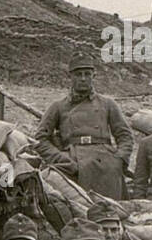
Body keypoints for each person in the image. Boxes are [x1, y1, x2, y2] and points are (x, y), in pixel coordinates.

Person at [32, 54, 134, 198]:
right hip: (72, 161)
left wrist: (119, 159)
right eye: (78, 74)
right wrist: (61, 158)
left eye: (87, 74)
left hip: (106, 162)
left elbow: (125, 135)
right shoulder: (58, 106)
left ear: (94, 76)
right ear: (70, 77)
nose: (83, 78)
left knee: (112, 208)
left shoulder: (108, 104)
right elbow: (40, 139)